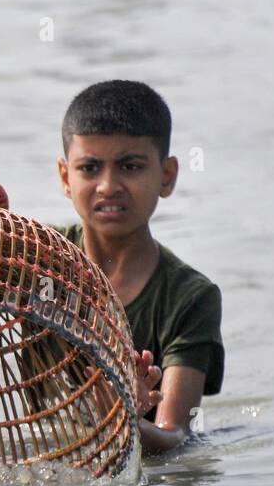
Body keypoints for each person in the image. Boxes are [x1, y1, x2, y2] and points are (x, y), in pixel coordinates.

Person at [52, 80, 225, 454]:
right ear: (66, 177)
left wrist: (120, 417)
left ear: (166, 176)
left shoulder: (190, 298)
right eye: (90, 168)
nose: (108, 186)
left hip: (141, 461)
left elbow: (174, 437)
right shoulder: (38, 258)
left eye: (130, 166)